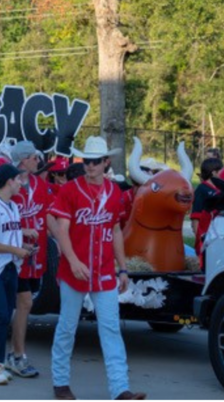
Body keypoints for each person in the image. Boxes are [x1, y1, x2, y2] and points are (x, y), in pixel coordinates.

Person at [48, 136, 146, 401]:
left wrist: (123, 268)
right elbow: (61, 230)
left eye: (95, 162)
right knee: (67, 326)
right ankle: (60, 383)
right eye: (86, 161)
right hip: (74, 271)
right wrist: (73, 260)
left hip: (103, 271)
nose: (89, 166)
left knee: (111, 328)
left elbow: (114, 229)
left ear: (106, 162)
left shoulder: (114, 192)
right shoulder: (70, 190)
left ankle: (120, 389)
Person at [0, 163, 36, 385]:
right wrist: (15, 250)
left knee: (5, 315)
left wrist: (24, 247)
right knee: (1, 315)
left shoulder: (12, 207)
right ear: (9, 181)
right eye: (18, 179)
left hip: (11, 266)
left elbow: (8, 234)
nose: (21, 183)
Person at [3, 140, 53, 378]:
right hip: (13, 257)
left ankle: (10, 354)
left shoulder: (39, 185)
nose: (38, 161)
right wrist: (20, 235)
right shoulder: (7, 186)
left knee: (23, 305)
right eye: (34, 157)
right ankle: (16, 356)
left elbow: (49, 216)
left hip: (36, 258)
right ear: (23, 160)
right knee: (24, 303)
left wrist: (64, 243)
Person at [190, 157, 223, 265]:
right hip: (206, 240)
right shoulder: (202, 190)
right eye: (221, 170)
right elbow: (195, 218)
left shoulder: (221, 189)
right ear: (214, 173)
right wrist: (200, 241)